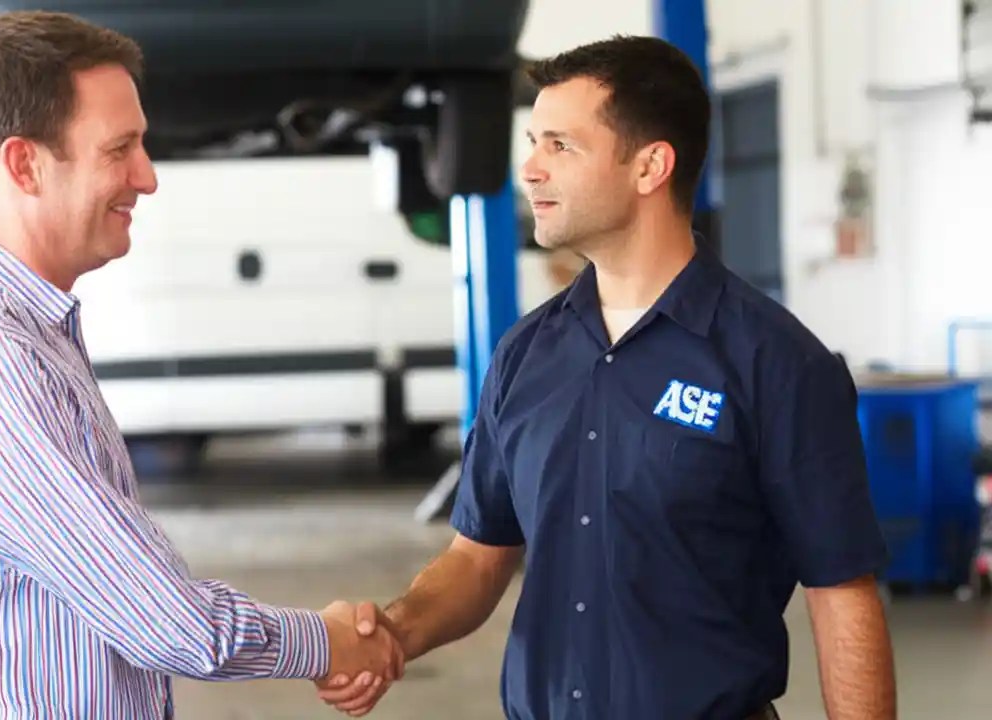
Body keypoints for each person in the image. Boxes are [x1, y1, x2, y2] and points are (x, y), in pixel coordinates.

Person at [318, 35, 897, 719]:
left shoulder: (775, 363)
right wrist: (393, 632)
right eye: (533, 141)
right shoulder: (524, 356)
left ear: (650, 165)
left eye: (560, 146)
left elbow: (841, 594)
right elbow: (477, 558)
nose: (530, 169)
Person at [0, 10, 401, 718]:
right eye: (121, 149)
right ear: (24, 164)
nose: (147, 177)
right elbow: (165, 619)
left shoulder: (9, 328)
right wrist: (324, 643)